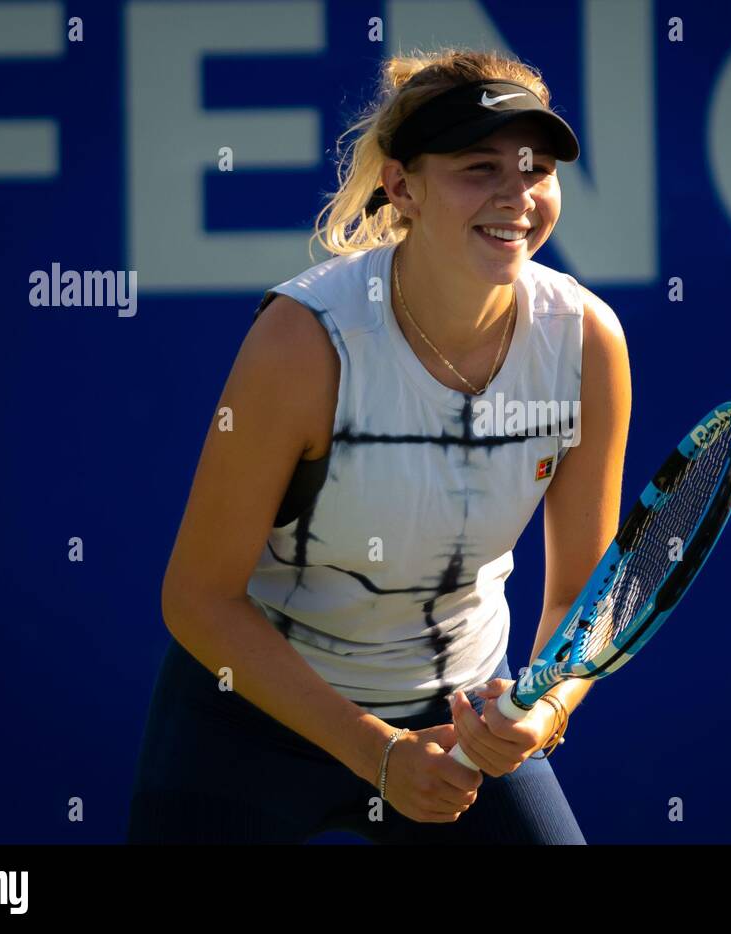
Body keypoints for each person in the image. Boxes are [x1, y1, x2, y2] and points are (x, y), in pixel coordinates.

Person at [127, 47, 631, 844]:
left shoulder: (587, 342)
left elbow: (585, 598)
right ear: (403, 187)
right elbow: (198, 597)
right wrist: (380, 755)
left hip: (459, 715)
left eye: (536, 169)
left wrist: (543, 711)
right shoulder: (304, 342)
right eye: (478, 167)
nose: (517, 196)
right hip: (254, 713)